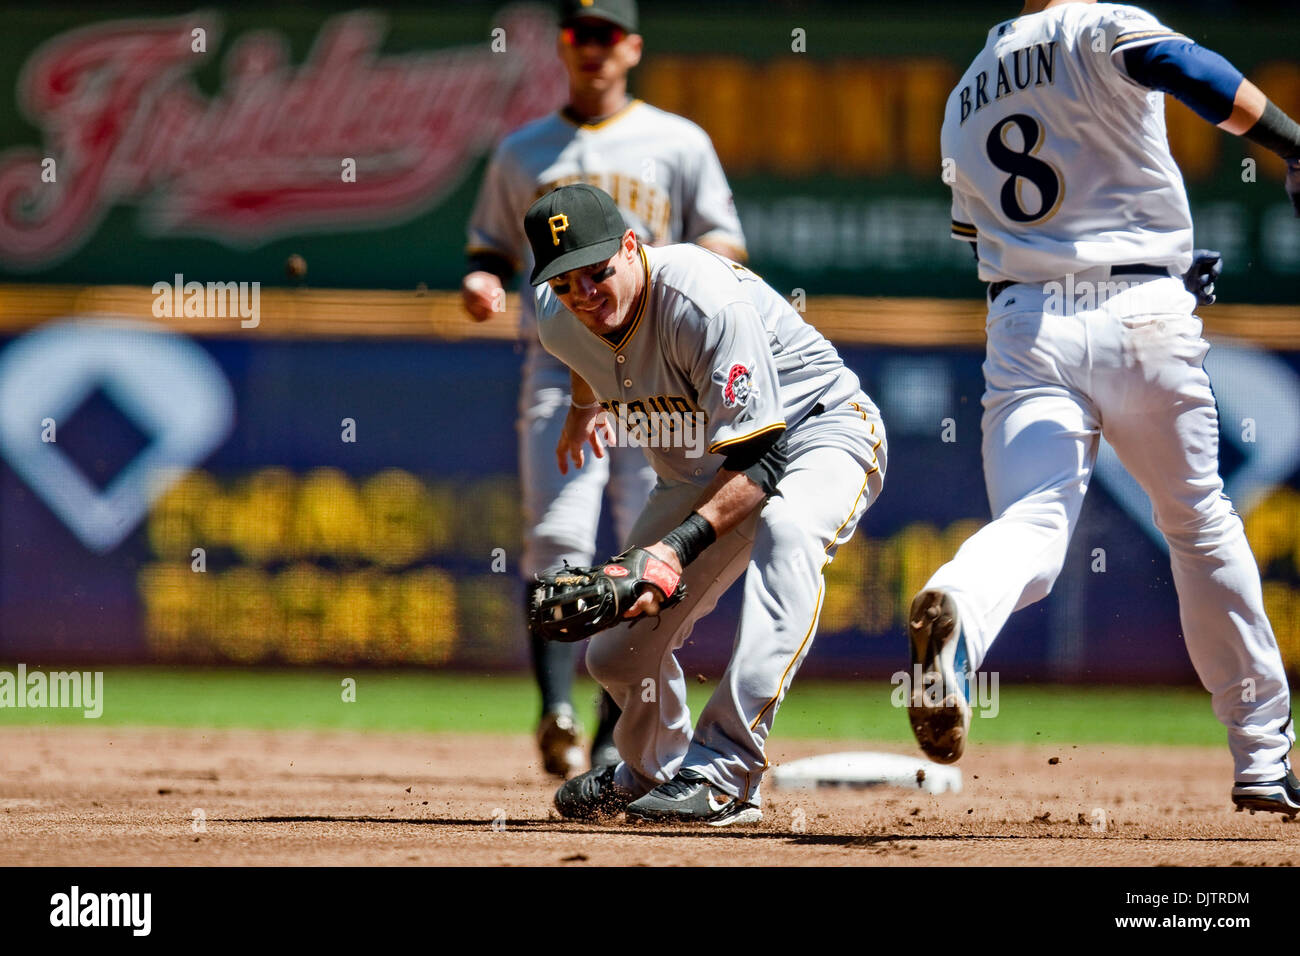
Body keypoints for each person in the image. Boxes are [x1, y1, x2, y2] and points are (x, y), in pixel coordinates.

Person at [911, 0, 1300, 816]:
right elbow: (1188, 71)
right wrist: (1289, 145)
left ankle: (956, 615)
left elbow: (994, 230)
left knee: (1033, 523)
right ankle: (1263, 758)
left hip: (1025, 324)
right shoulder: (1098, 20)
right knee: (1198, 522)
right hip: (1140, 316)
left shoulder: (966, 91)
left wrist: (1136, 259)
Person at [522, 183, 887, 826]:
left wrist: (671, 552)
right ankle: (651, 772)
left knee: (789, 529)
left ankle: (724, 770)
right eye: (564, 282)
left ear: (632, 246)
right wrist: (583, 408)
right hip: (702, 471)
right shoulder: (560, 316)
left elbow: (763, 460)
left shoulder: (702, 301)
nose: (583, 294)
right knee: (615, 655)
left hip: (814, 434)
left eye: (596, 273)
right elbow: (580, 346)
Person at [461, 0, 747, 778]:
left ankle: (607, 738)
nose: (593, 49)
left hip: (659, 366)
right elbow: (486, 247)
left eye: (607, 36)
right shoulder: (525, 149)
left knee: (641, 542)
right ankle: (555, 708)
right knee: (555, 535)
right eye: (580, 36)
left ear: (632, 47)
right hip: (559, 365)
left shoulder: (678, 142)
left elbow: (725, 242)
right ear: (562, 46)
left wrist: (661, 277)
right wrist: (482, 283)